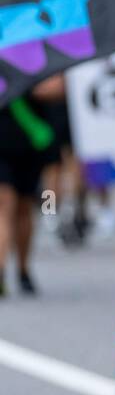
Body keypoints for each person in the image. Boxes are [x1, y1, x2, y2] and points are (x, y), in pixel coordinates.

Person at [0, 79, 60, 296]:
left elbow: (57, 88)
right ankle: (1, 269)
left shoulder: (33, 49)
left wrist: (22, 85)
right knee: (5, 205)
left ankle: (23, 269)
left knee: (24, 207)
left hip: (31, 138)